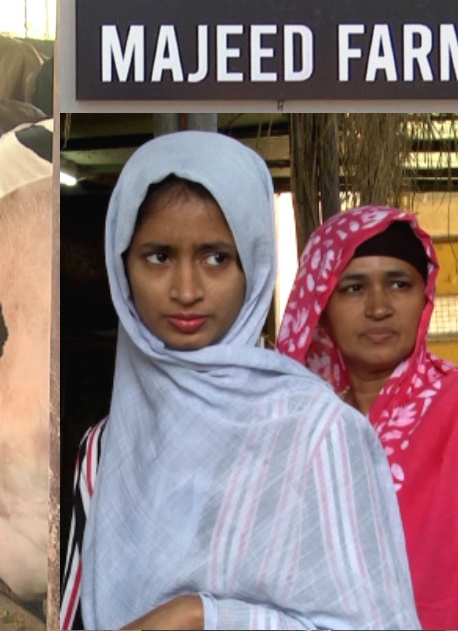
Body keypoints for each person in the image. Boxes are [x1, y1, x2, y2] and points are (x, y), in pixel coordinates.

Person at [59, 131, 418, 630]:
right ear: (121, 268)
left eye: (216, 258)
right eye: (159, 256)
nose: (186, 290)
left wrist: (203, 616)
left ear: (254, 263)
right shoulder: (104, 449)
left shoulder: (318, 433)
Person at [277, 205, 458, 630]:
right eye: (354, 288)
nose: (379, 308)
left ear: (424, 297)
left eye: (399, 284)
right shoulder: (294, 432)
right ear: (321, 305)